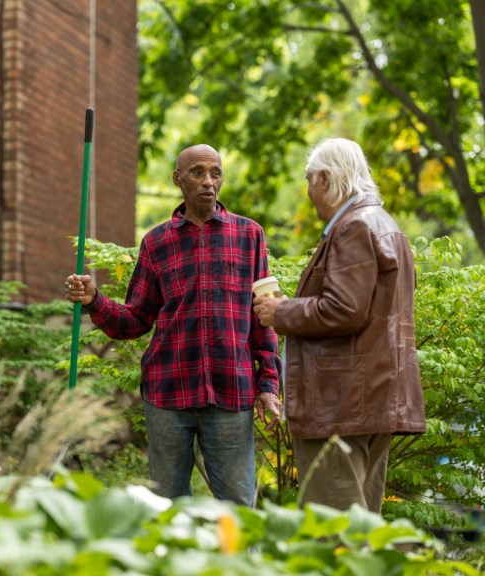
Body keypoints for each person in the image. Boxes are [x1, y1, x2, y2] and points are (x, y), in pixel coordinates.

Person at [65, 144, 281, 506]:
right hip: (168, 395)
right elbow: (134, 320)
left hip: (232, 392)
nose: (208, 182)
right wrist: (94, 300)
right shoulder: (156, 242)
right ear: (178, 180)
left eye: (216, 173)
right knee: (164, 509)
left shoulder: (249, 235)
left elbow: (265, 316)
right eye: (197, 172)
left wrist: (269, 384)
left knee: (239, 511)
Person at [253, 137, 426, 513]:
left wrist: (280, 312)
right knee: (362, 528)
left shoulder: (353, 227)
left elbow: (344, 308)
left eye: (310, 181)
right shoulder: (385, 225)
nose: (308, 191)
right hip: (372, 398)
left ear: (327, 180)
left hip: (341, 404)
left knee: (335, 533)